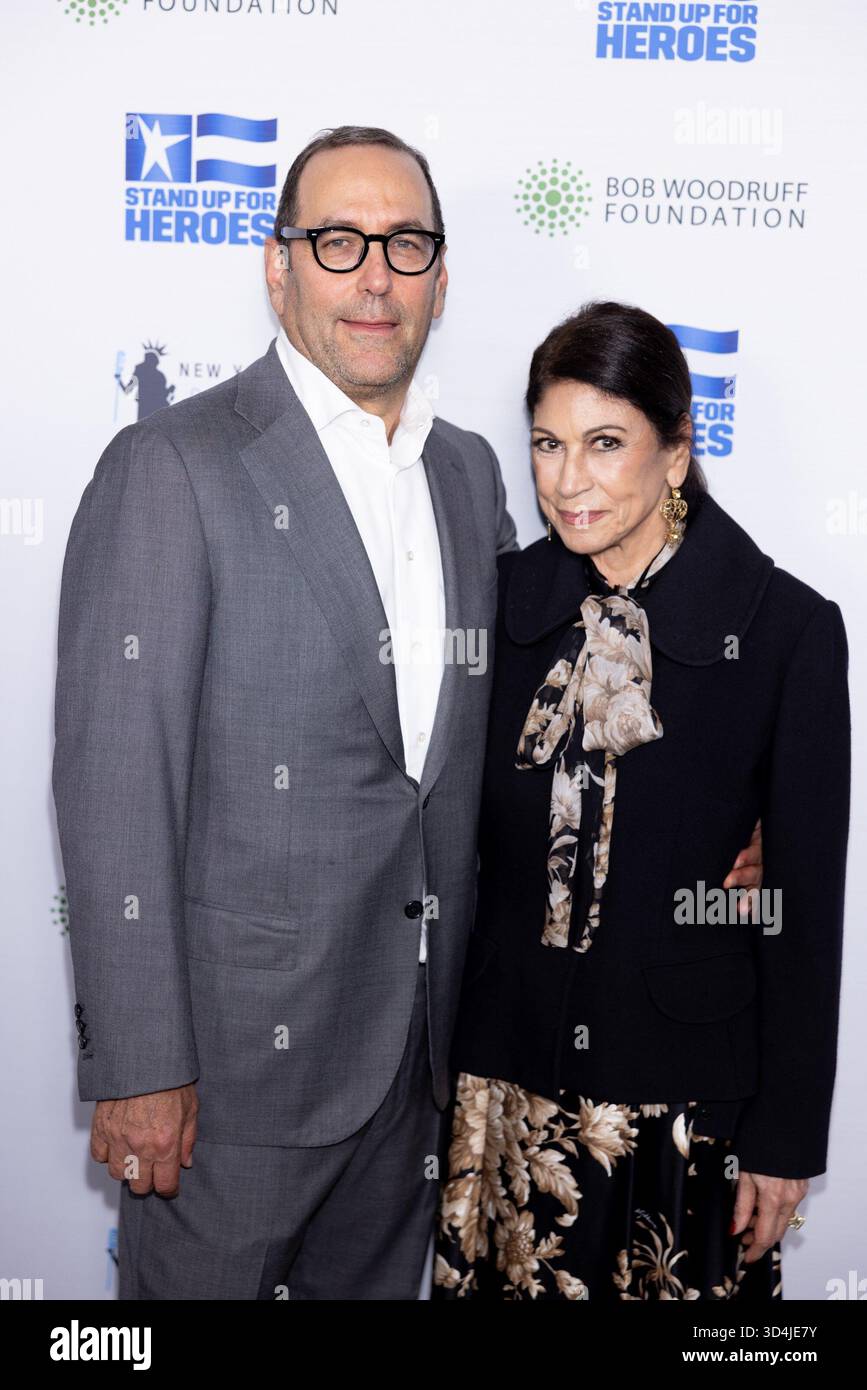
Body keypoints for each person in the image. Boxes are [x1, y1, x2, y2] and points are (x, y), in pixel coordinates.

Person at [51, 128, 762, 1301]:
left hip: (428, 1074)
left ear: (441, 276)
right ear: (278, 267)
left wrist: (741, 811)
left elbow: (550, 710)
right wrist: (139, 1065)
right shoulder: (171, 465)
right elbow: (116, 779)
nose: (375, 275)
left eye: (406, 243)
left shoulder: (468, 472)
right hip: (232, 1084)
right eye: (339, 241)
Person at [434, 301, 850, 1301]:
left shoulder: (788, 632)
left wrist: (784, 1140)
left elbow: (800, 918)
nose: (567, 480)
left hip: (685, 1112)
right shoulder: (490, 609)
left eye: (605, 443)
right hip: (505, 1093)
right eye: (546, 443)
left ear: (675, 451)